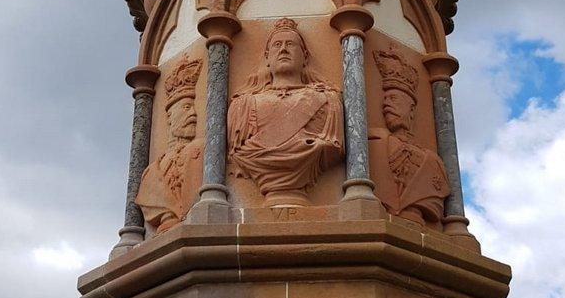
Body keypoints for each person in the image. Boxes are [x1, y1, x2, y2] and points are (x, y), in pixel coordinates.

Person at [228, 18, 344, 205]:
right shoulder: (243, 106)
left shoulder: (328, 102)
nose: (283, 49)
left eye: (290, 44)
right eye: (277, 45)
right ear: (267, 57)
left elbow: (331, 146)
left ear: (305, 56)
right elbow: (239, 151)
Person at [369, 45, 449, 226]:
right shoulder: (375, 144)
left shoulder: (433, 162)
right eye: (385, 100)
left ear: (412, 109)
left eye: (394, 99)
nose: (386, 105)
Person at [136, 55, 203, 233]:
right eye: (187, 108)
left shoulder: (202, 152)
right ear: (169, 117)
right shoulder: (150, 174)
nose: (194, 114)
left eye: (195, 108)